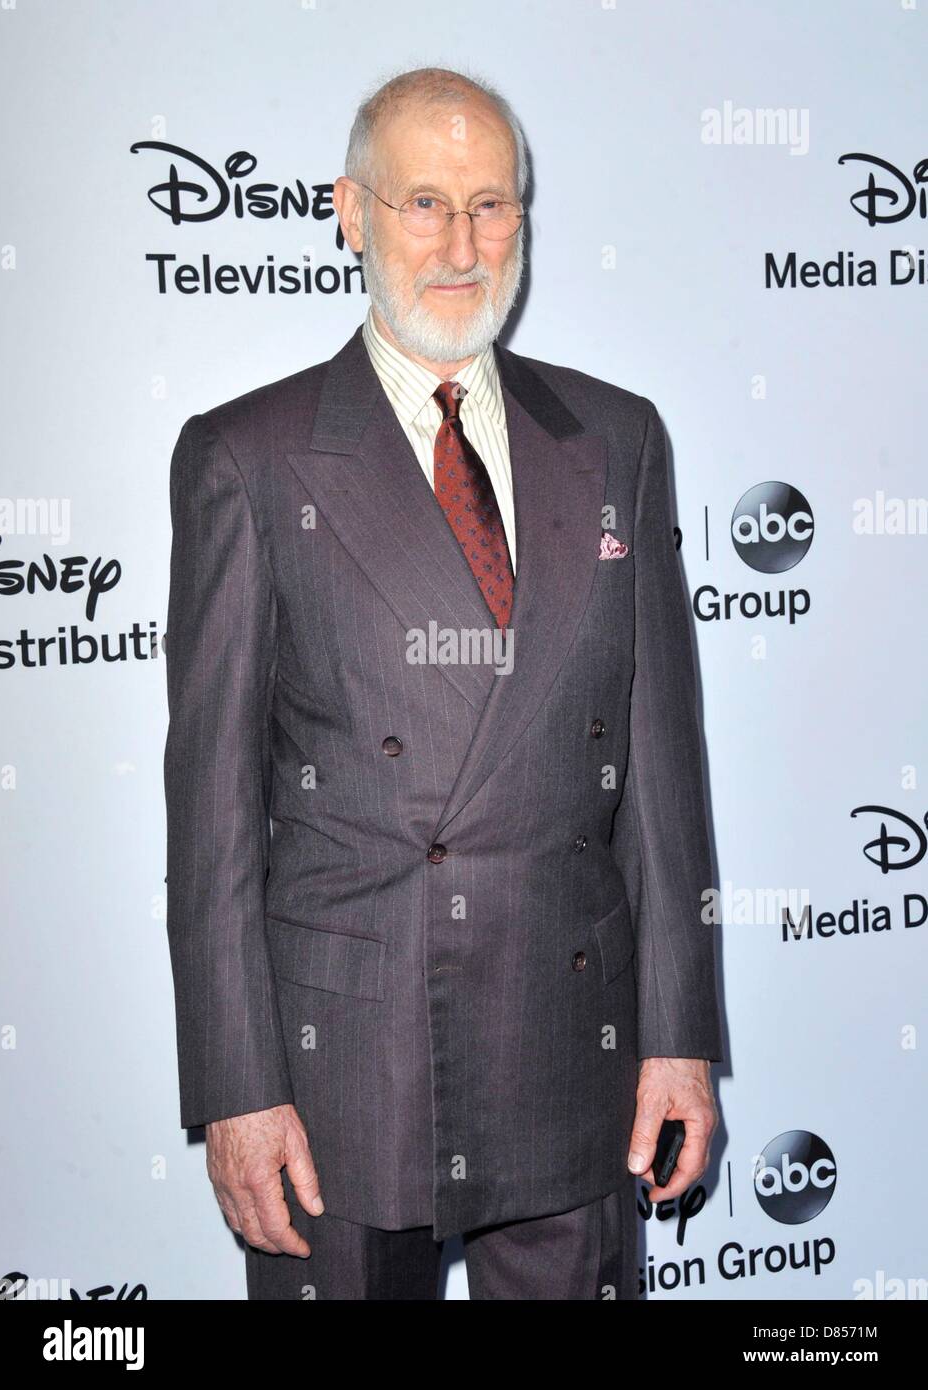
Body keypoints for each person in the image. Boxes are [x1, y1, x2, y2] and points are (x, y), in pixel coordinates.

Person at [162, 64, 724, 1301]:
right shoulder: (246, 458)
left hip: (571, 1050)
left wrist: (679, 1036)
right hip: (343, 1069)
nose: (462, 243)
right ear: (350, 214)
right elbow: (209, 821)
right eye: (423, 203)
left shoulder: (617, 438)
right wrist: (237, 1088)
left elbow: (660, 771)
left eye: (492, 204)